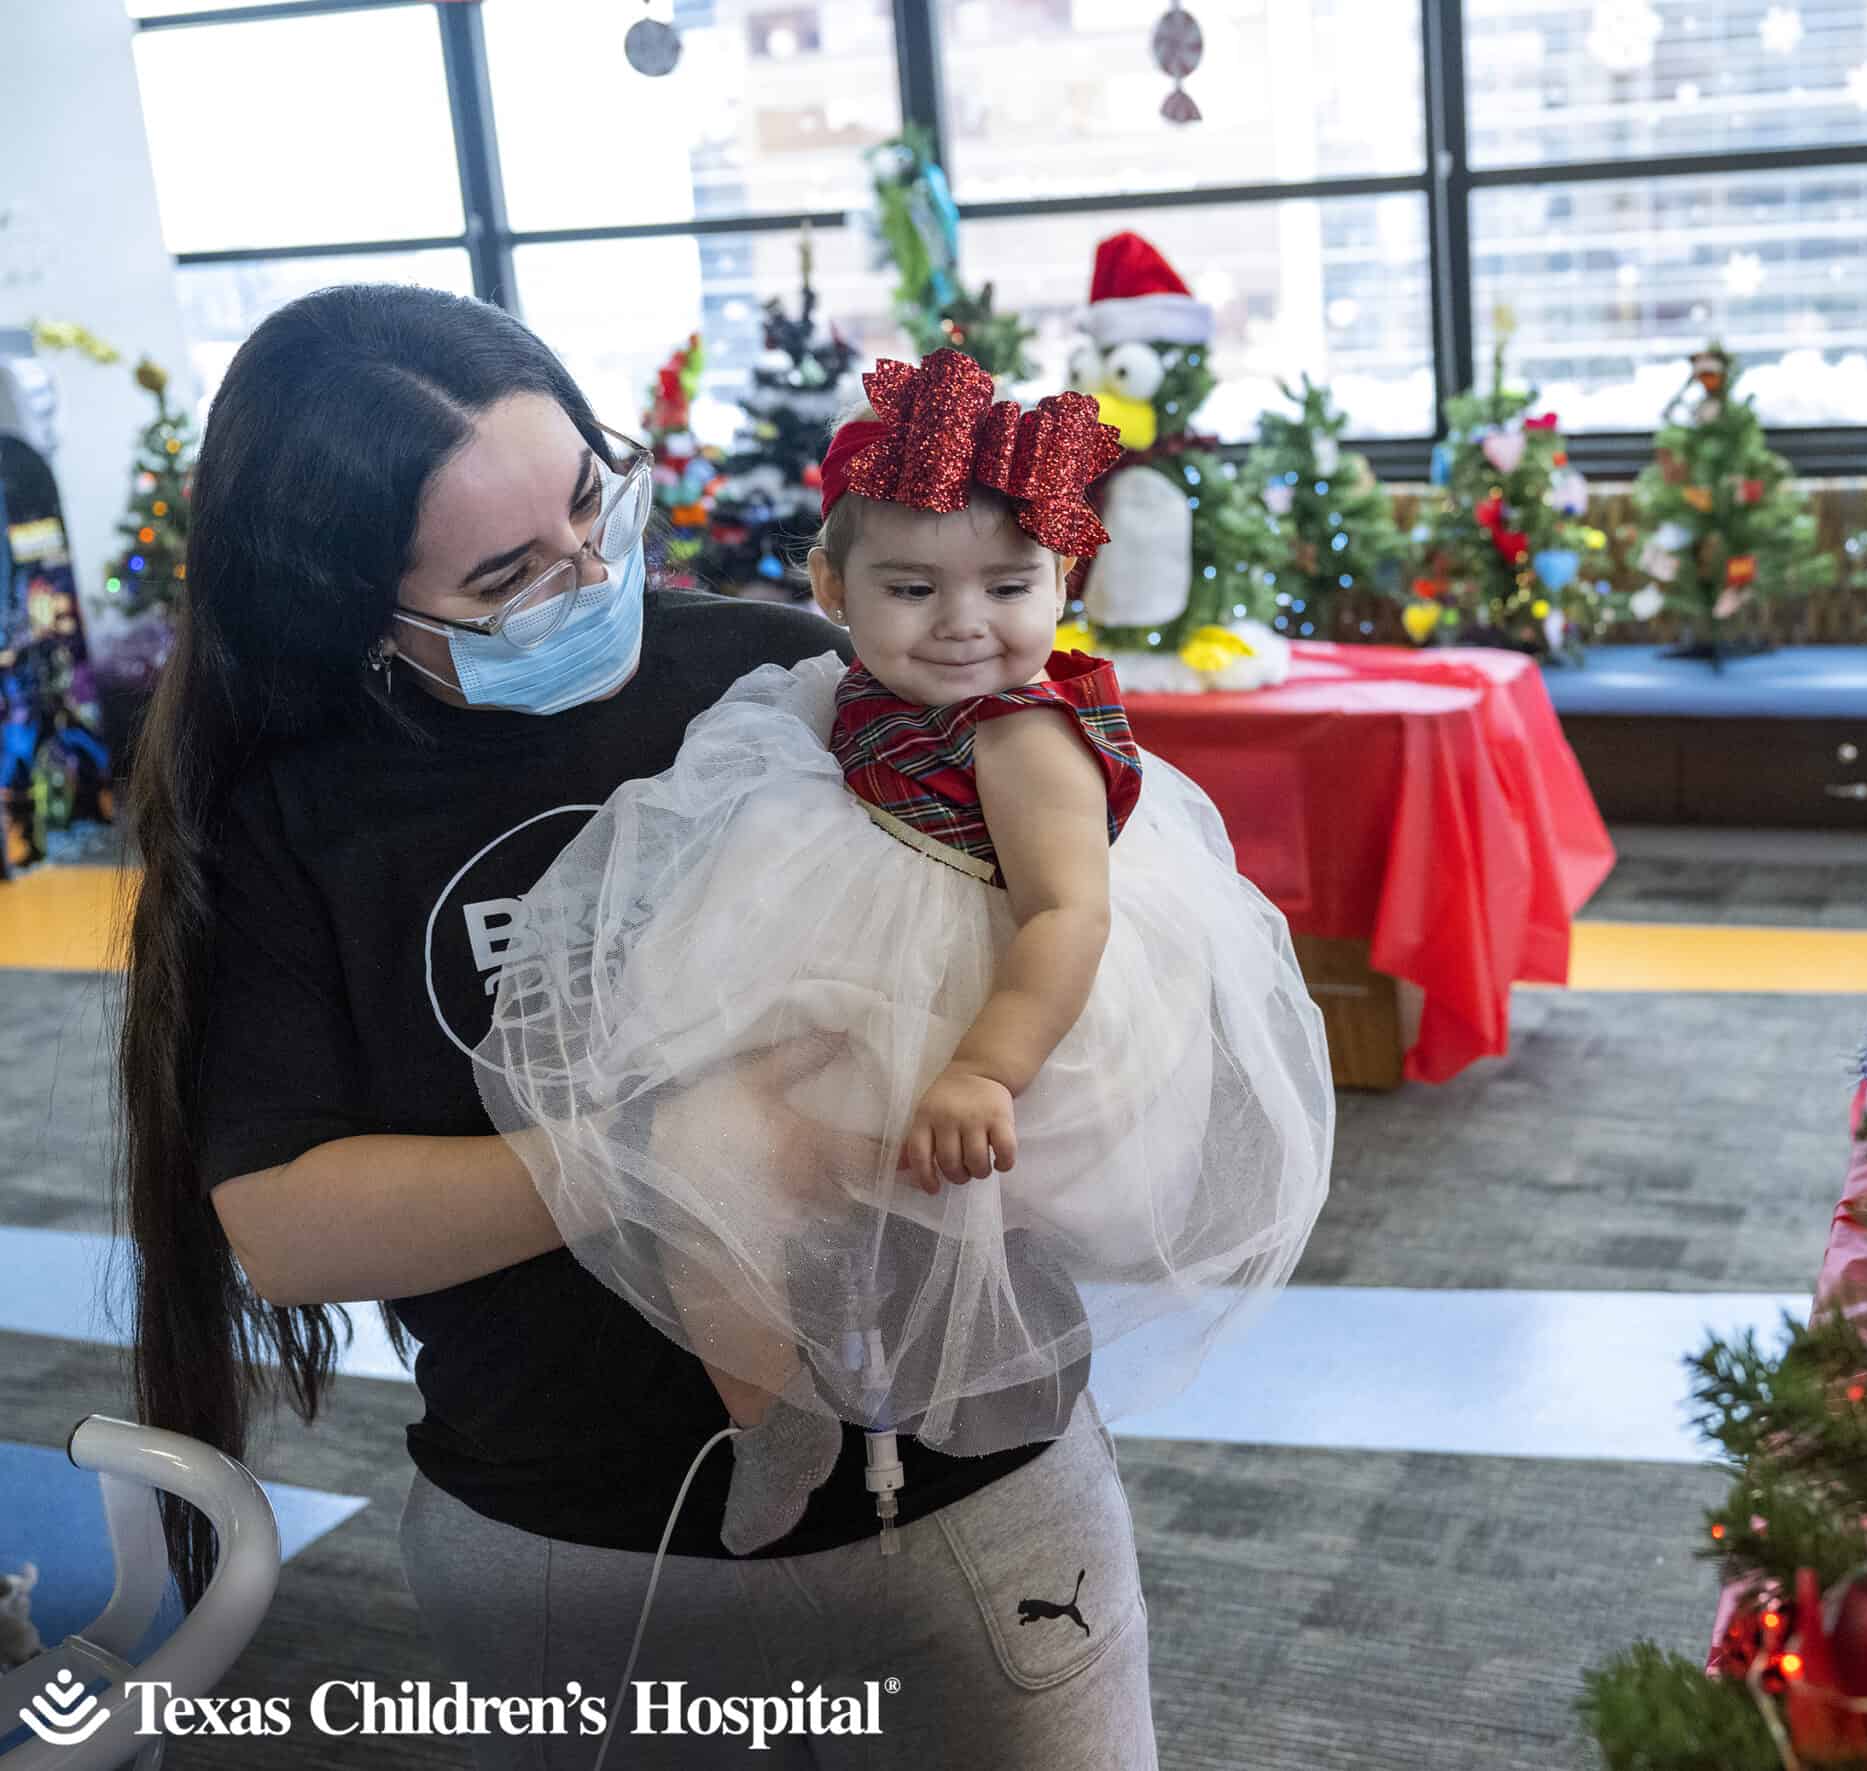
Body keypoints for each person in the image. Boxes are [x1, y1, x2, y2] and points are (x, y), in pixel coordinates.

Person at [115, 286, 1157, 1768]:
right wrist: (667, 1153)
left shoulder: (792, 672)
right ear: (351, 603)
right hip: (581, 1555)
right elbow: (286, 1227)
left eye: (595, 502)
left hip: (970, 1498)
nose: (591, 570)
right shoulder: (289, 815)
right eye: (508, 574)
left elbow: (1049, 963)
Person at [472, 346, 1334, 1564]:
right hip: (876, 966)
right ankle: (769, 1411)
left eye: (1008, 583)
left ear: (1064, 577)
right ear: (832, 585)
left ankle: (875, 1424)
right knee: (705, 1153)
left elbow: (1064, 917)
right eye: (914, 588)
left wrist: (983, 1071)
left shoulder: (1027, 736)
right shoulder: (831, 697)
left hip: (1006, 1019)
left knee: (745, 1158)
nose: (966, 624)